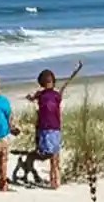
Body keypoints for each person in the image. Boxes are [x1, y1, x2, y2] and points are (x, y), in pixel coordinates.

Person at [25, 61, 83, 189]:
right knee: (54, 156)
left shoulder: (42, 95)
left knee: (47, 154)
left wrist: (30, 97)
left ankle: (52, 179)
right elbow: (66, 84)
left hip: (46, 128)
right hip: (54, 128)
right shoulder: (55, 95)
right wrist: (76, 70)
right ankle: (55, 181)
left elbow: (32, 97)